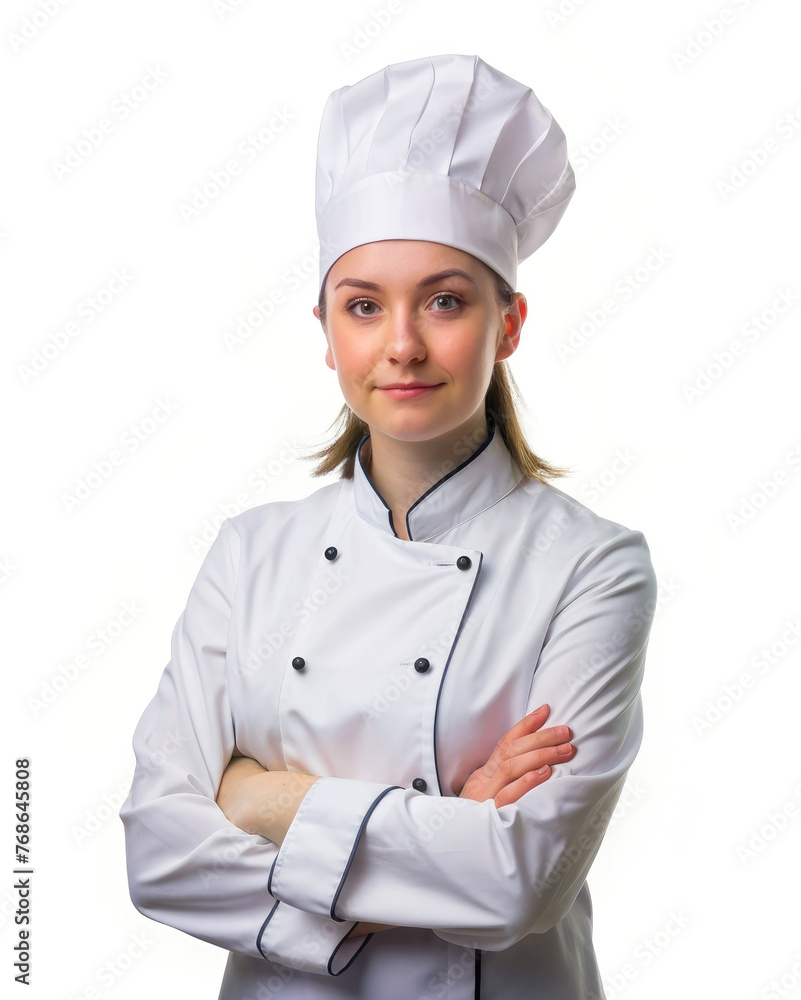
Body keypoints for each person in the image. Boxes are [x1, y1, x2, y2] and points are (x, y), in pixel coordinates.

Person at [120, 54, 658, 999]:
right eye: (364, 306)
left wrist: (263, 799)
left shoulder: (593, 567)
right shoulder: (250, 555)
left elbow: (519, 883)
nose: (401, 344)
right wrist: (450, 823)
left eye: (444, 300)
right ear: (327, 331)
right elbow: (158, 855)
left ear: (511, 322)